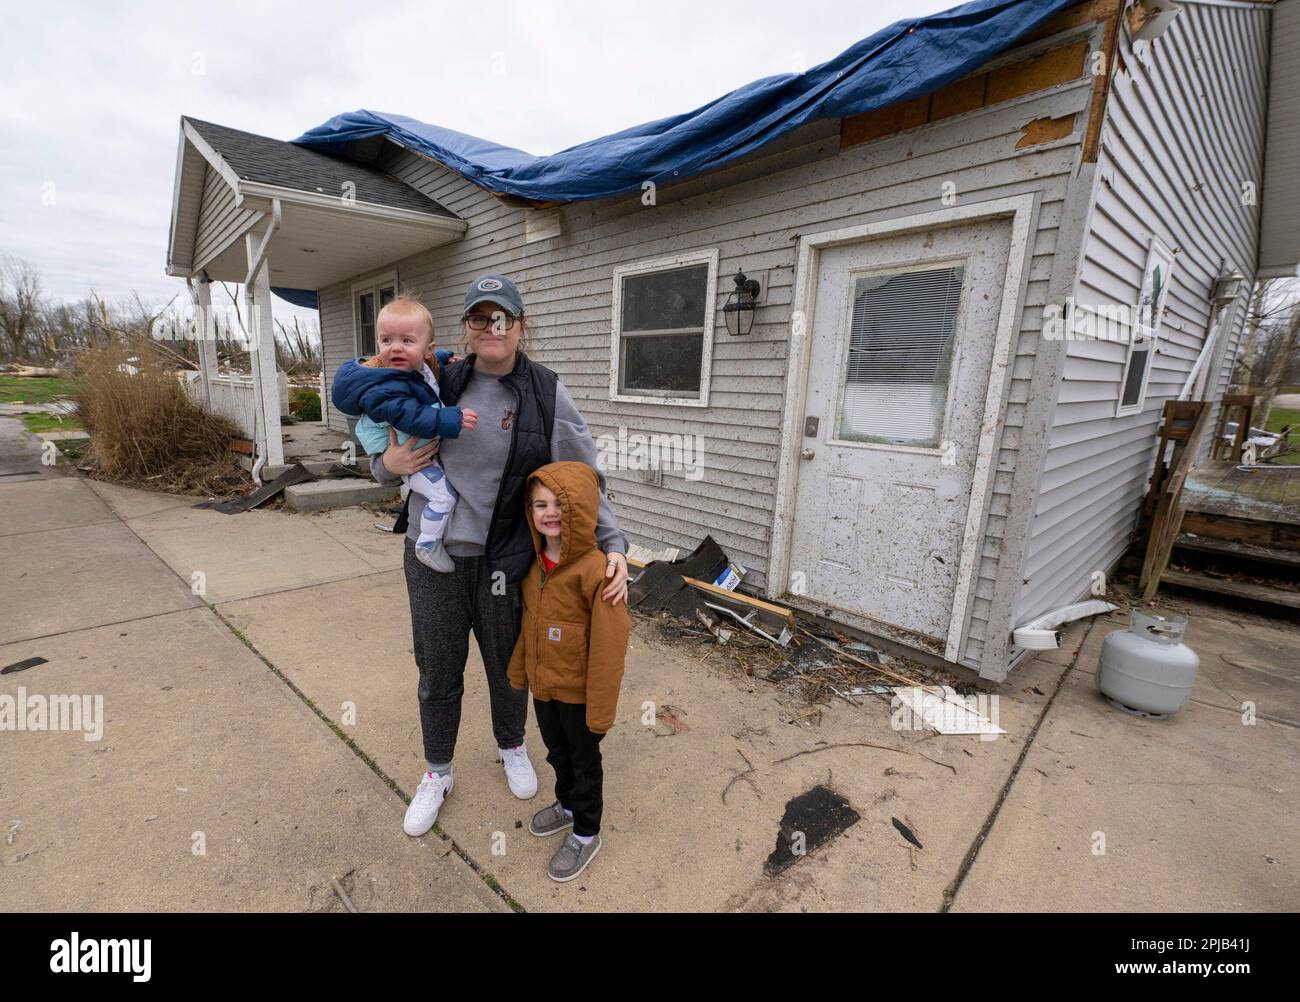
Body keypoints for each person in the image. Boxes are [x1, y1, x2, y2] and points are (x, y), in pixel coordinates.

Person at [372, 274, 630, 837]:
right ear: (465, 328)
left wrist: (613, 546)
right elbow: (384, 447)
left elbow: (585, 475)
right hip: (432, 554)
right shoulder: (435, 379)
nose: (491, 328)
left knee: (508, 667)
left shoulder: (545, 391)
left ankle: (511, 745)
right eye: (479, 318)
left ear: (520, 325)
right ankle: (437, 771)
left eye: (503, 318)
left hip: (505, 560)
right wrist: (386, 469)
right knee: (437, 669)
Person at [508, 462, 629, 882]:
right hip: (545, 689)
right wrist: (520, 671)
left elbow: (611, 649)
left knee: (584, 762)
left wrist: (599, 711)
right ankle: (566, 804)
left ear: (582, 508)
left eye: (561, 503)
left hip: (579, 696)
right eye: (540, 504)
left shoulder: (599, 572)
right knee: (556, 754)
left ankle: (586, 831)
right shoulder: (533, 565)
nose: (550, 512)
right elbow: (530, 621)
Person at [331, 298, 475, 572]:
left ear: (427, 349)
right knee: (443, 497)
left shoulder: (411, 369)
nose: (395, 347)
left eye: (407, 341)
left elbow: (425, 371)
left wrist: (442, 358)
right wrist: (450, 419)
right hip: (408, 454)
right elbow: (410, 417)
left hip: (418, 449)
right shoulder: (384, 387)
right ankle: (428, 544)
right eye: (387, 340)